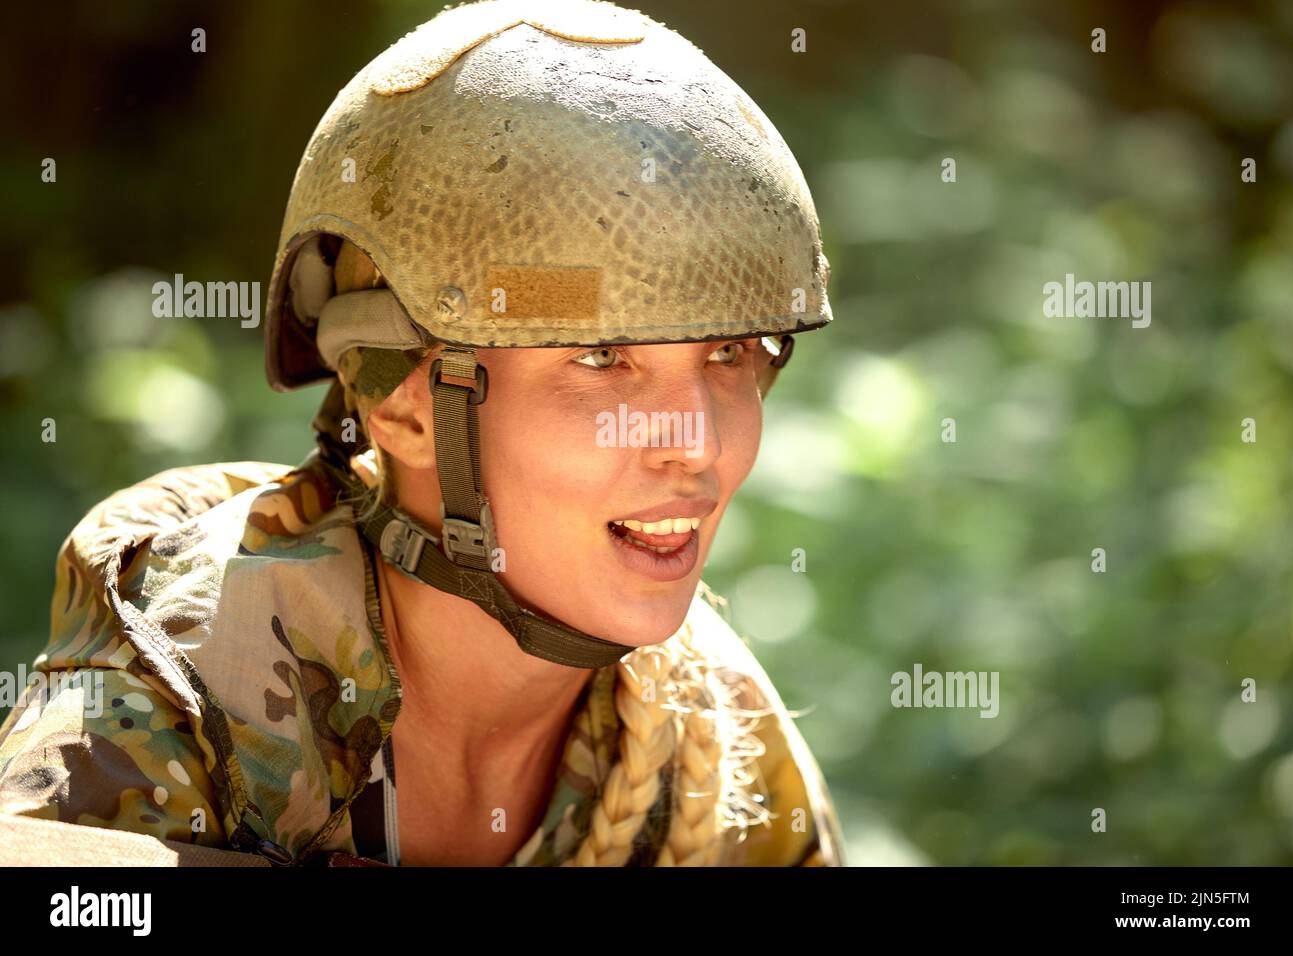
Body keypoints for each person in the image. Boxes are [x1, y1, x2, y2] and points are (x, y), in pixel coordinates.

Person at [0, 0, 844, 866]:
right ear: (402, 404)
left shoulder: (709, 734)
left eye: (730, 353)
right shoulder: (191, 682)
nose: (695, 443)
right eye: (601, 357)